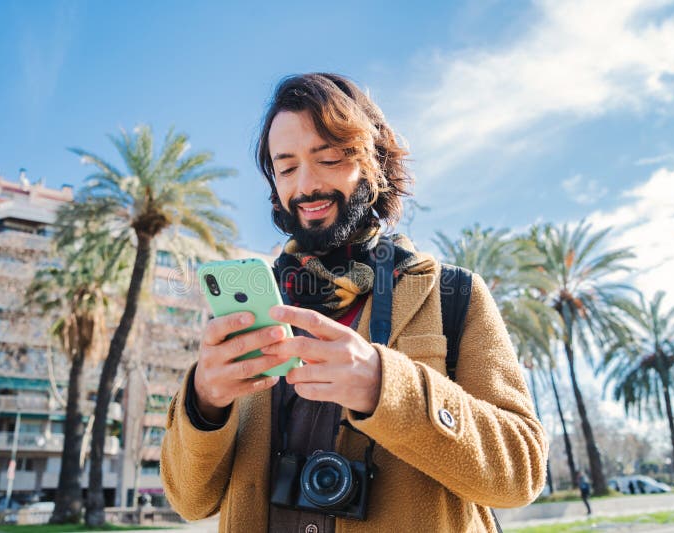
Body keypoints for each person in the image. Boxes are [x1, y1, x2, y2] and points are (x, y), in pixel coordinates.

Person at [160, 73, 548, 532]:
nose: (306, 186)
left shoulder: (453, 295)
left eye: (327, 159)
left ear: (374, 163)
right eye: (286, 168)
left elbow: (521, 475)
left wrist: (387, 387)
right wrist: (205, 404)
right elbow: (189, 502)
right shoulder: (254, 309)